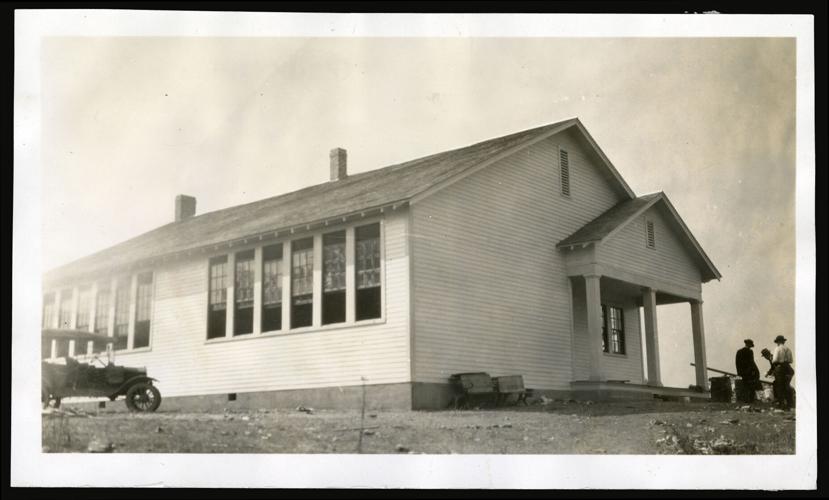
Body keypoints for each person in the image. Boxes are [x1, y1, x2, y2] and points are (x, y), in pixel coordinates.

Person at [767, 335, 795, 410]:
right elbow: (791, 360)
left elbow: (775, 360)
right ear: (783, 341)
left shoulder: (778, 348)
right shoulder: (788, 349)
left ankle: (781, 404)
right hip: (788, 368)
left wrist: (773, 360)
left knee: (779, 386)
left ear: (778, 342)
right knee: (787, 385)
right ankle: (790, 403)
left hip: (780, 368)